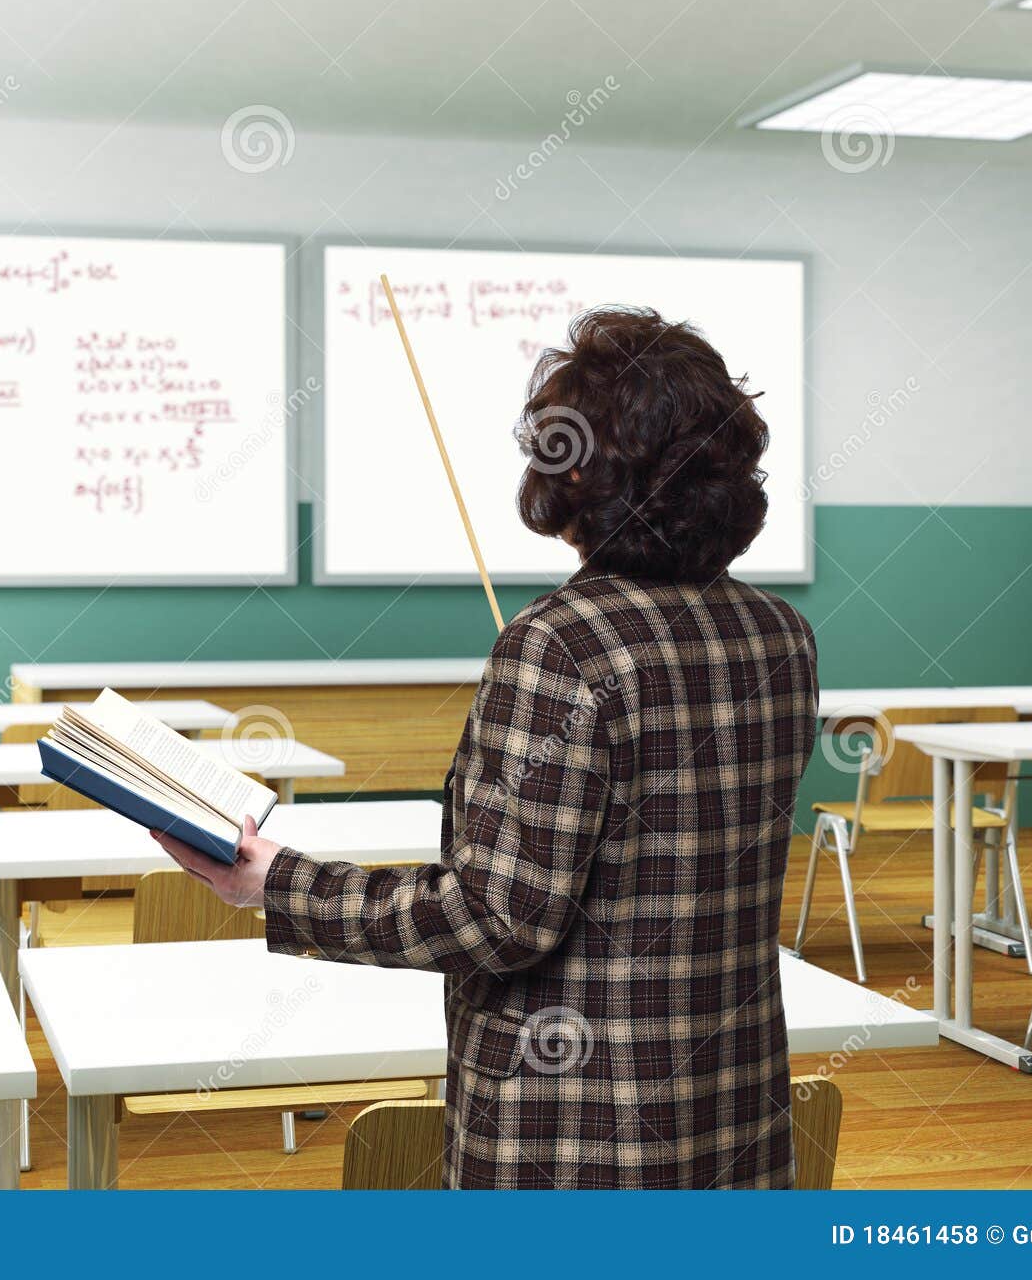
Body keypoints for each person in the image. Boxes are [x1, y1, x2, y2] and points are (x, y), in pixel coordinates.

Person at [153, 306, 820, 1189]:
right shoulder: (780, 635)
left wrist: (275, 881)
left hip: (577, 1139)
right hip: (734, 1117)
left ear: (578, 473)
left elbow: (500, 918)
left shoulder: (559, 646)